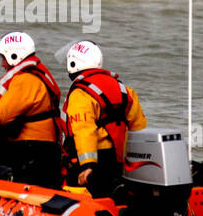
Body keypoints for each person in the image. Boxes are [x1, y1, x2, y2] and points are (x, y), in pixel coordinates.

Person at [60, 40, 146, 196]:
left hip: (92, 164)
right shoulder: (124, 89)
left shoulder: (81, 93)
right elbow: (139, 128)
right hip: (119, 162)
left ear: (74, 63)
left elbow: (84, 130)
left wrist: (87, 165)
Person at [0, 32, 64, 187]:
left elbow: (1, 115)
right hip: (42, 146)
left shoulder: (25, 79)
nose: (2, 64)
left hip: (32, 148)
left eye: (3, 58)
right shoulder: (34, 74)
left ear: (14, 56)